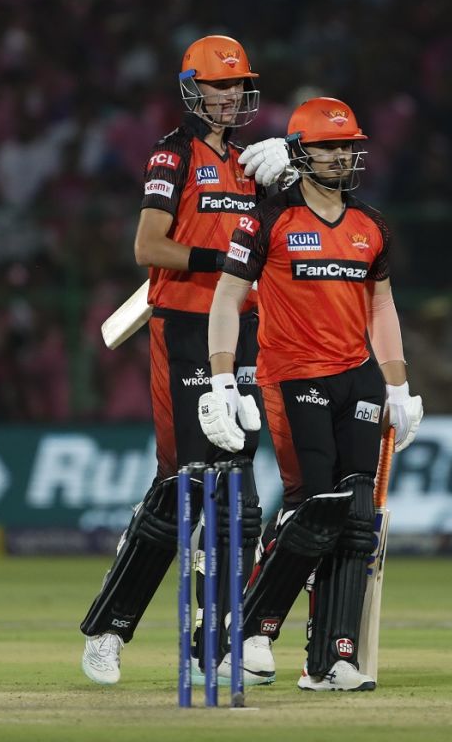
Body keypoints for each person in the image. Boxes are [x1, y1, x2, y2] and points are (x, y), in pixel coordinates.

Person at [79, 35, 292, 686]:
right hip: (184, 330)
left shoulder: (253, 167)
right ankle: (109, 631)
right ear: (193, 89)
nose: (230, 96)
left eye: (237, 85)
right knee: (183, 487)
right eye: (218, 85)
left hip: (246, 331)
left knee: (241, 498)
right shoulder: (174, 155)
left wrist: (294, 171)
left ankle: (218, 644)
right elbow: (150, 245)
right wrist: (222, 261)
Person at [200, 96, 424, 691]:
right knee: (312, 506)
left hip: (359, 375)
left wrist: (398, 382)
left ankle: (333, 656)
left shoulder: (371, 225)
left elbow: (381, 305)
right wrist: (223, 376)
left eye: (349, 144)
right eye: (329, 145)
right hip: (293, 374)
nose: (342, 155)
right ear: (301, 151)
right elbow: (226, 298)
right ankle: (250, 633)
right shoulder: (268, 219)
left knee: (357, 514)